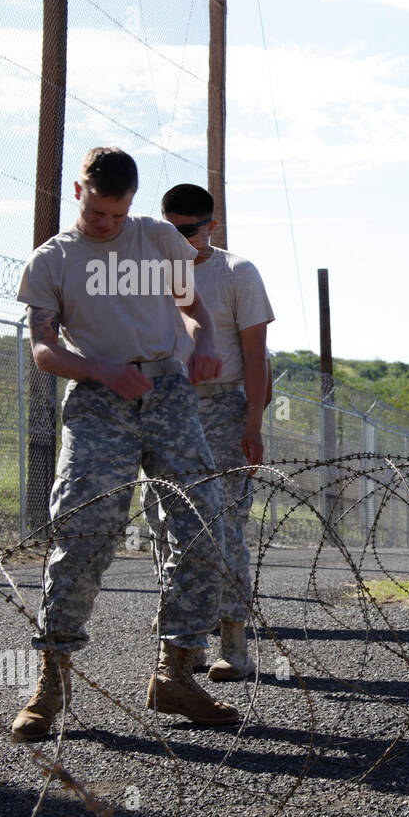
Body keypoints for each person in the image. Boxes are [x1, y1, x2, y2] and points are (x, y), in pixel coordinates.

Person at [13, 147, 240, 741]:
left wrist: (204, 340)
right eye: (97, 213)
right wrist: (102, 371)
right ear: (77, 191)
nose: (108, 225)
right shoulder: (52, 260)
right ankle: (52, 679)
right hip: (98, 400)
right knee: (85, 531)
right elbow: (43, 351)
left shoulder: (161, 241)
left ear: (133, 203)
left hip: (167, 392)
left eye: (119, 214)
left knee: (200, 525)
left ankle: (175, 673)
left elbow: (193, 311)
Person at [146, 183, 274, 682]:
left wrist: (254, 424)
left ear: (210, 227)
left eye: (188, 230)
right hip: (167, 405)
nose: (179, 239)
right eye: (169, 229)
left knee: (224, 524)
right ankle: (183, 642)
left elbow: (257, 353)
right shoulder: (148, 275)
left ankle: (234, 643)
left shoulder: (236, 272)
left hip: (223, 404)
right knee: (167, 524)